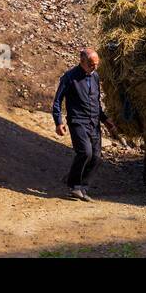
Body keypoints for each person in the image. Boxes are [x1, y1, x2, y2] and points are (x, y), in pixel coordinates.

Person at [52, 48, 121, 200]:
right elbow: (57, 101)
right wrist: (58, 122)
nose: (94, 67)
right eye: (91, 64)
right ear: (82, 61)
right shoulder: (69, 77)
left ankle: (82, 186)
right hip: (78, 121)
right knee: (85, 152)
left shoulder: (95, 76)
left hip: (94, 122)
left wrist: (105, 119)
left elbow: (95, 102)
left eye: (96, 64)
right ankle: (74, 186)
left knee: (96, 157)